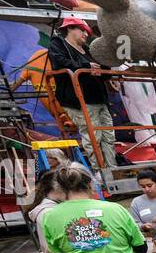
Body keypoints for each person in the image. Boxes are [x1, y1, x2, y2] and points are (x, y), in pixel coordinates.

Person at [47, 17, 117, 171]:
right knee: (93, 136)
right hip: (79, 99)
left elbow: (104, 71)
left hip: (98, 98)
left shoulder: (88, 50)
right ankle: (100, 172)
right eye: (82, 30)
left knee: (108, 136)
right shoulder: (58, 43)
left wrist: (105, 69)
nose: (86, 34)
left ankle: (112, 169)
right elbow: (58, 62)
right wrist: (85, 66)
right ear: (70, 29)